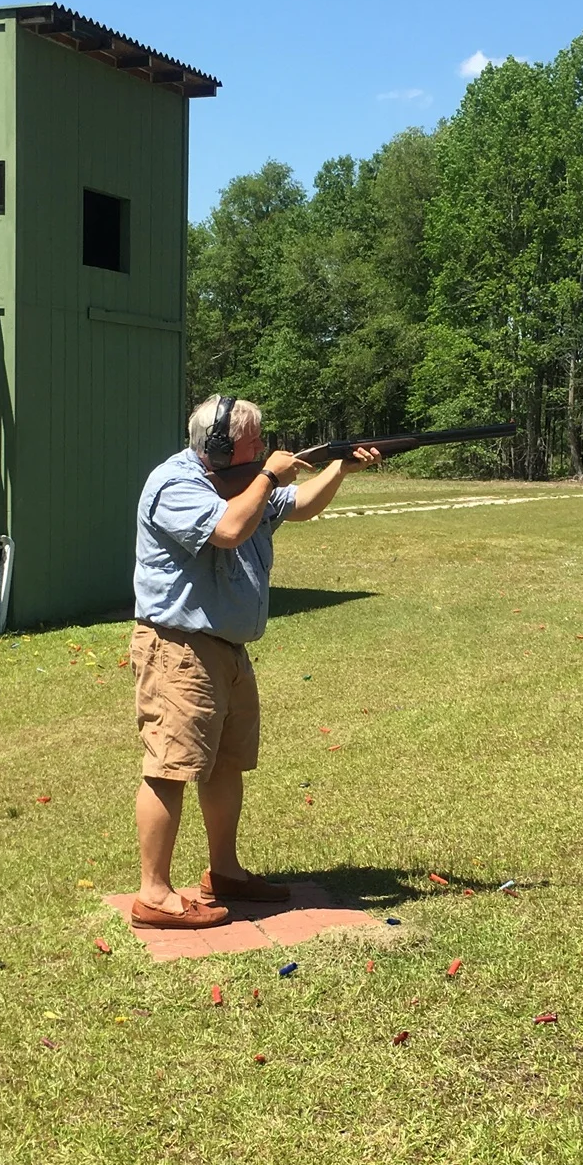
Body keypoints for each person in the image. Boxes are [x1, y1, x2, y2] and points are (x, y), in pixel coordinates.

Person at [128, 395, 380, 928]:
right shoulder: (176, 484)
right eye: (253, 443)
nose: (263, 449)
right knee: (169, 767)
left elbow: (302, 503)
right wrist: (267, 474)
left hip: (227, 648)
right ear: (218, 448)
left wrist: (340, 466)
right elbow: (227, 531)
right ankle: (153, 893)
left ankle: (224, 872)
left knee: (225, 764)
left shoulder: (244, 479)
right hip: (179, 648)